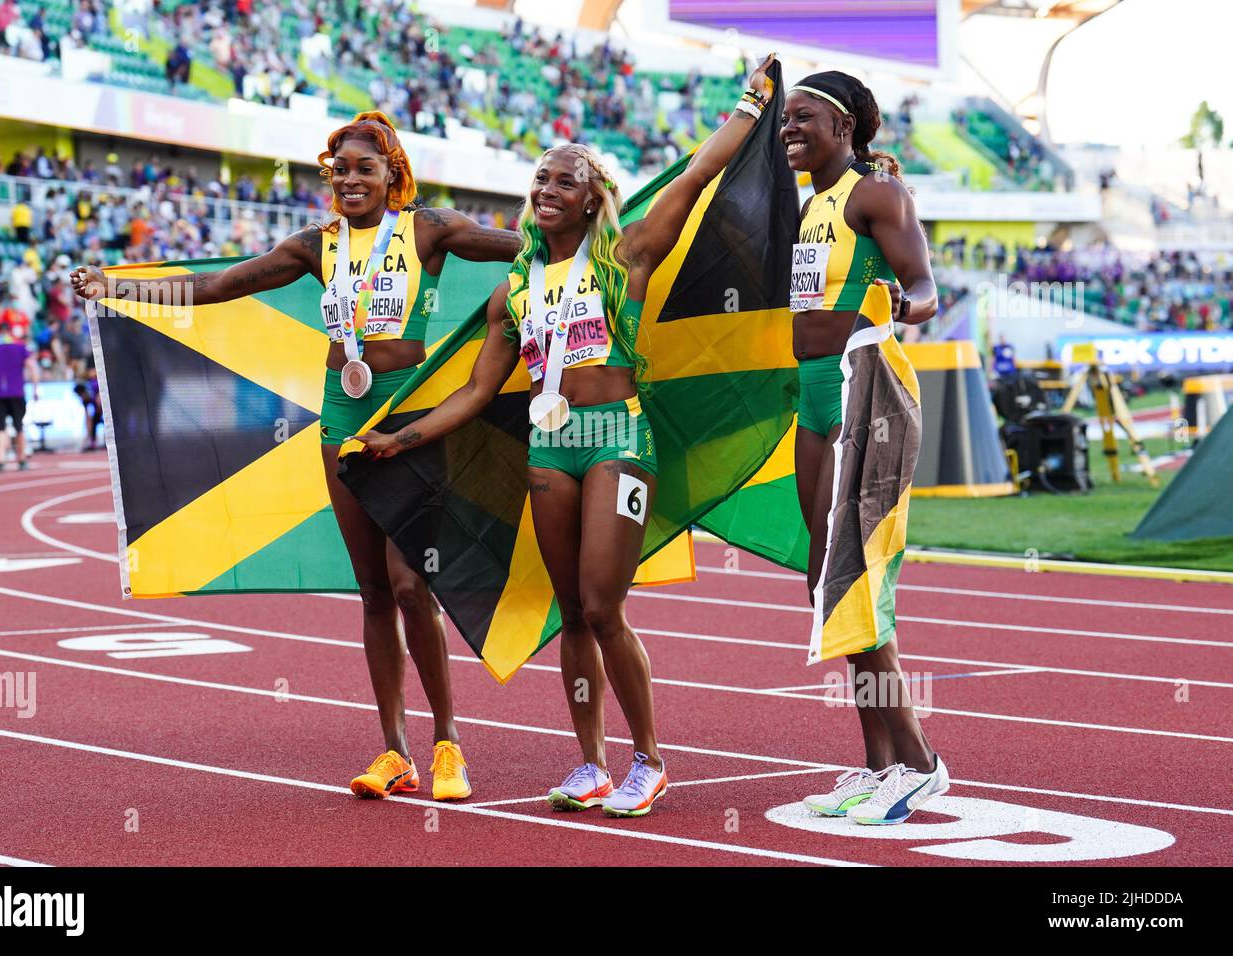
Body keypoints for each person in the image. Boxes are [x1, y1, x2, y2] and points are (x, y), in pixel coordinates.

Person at [359, 57, 779, 818]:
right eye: (539, 183)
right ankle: (590, 762)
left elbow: (697, 176)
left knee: (604, 604)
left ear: (593, 199)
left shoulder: (626, 255)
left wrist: (751, 103)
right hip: (550, 447)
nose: (545, 192)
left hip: (615, 437)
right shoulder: (514, 289)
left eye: (563, 182)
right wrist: (403, 437)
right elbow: (478, 391)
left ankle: (649, 760)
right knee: (571, 610)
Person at [70, 111, 521, 802]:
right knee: (372, 590)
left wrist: (589, 240)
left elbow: (523, 248)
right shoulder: (316, 245)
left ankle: (448, 743)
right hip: (341, 416)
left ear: (391, 174)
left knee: (410, 585)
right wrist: (122, 287)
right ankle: (394, 750)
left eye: (363, 169)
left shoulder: (429, 228)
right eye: (338, 169)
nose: (349, 180)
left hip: (411, 414)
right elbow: (221, 286)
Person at [781, 71, 946, 824]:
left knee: (853, 574)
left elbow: (925, 283)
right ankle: (876, 765)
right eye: (784, 119)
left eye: (803, 118)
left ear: (844, 126)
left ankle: (917, 762)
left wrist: (900, 308)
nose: (789, 130)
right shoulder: (811, 205)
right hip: (813, 394)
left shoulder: (876, 196)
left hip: (863, 382)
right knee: (826, 579)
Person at [0, 325, 39, 472]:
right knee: (19, 426)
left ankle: (1, 460)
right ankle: (21, 459)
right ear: (9, 332)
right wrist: (35, 388)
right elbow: (32, 367)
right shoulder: (19, 346)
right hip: (16, 392)